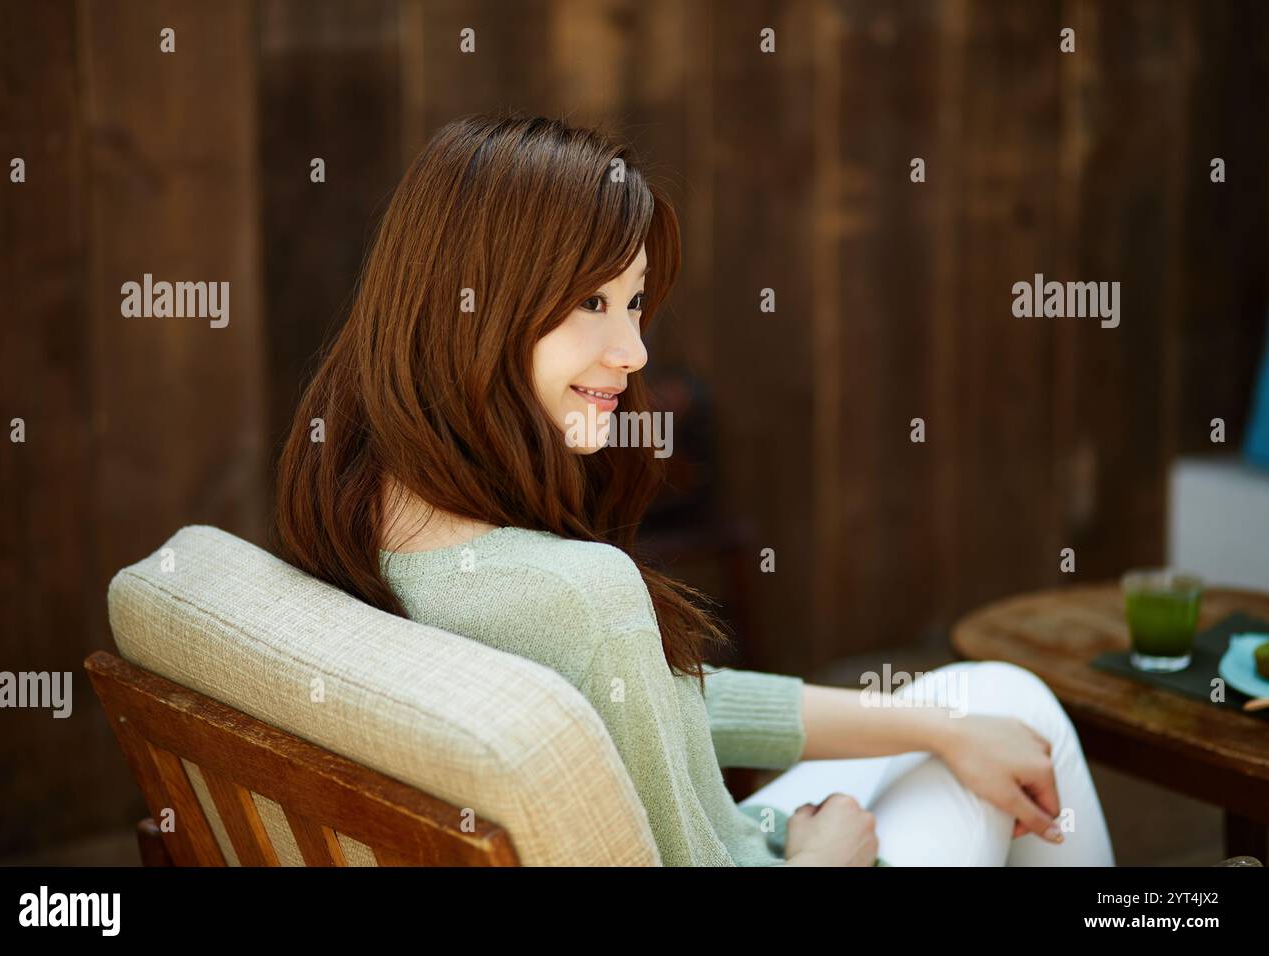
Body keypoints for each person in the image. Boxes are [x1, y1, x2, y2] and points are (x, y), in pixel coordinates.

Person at [272, 112, 1116, 867]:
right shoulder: (575, 597)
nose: (634, 351)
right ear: (476, 305)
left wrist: (932, 727)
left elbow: (651, 706)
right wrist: (826, 857)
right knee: (1026, 715)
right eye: (591, 302)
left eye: (634, 302)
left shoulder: (357, 510)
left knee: (983, 710)